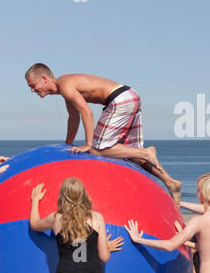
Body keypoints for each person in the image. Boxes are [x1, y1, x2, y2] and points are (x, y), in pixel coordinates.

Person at [25, 63, 181, 201]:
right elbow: (74, 117)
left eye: (33, 85)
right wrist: (68, 144)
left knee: (97, 148)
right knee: (128, 153)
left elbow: (86, 112)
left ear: (44, 78)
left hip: (119, 100)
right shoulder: (65, 87)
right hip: (129, 96)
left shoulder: (65, 85)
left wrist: (88, 145)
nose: (32, 90)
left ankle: (146, 152)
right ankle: (170, 182)